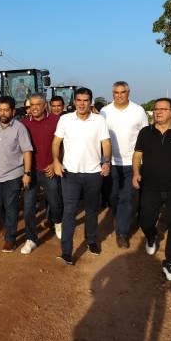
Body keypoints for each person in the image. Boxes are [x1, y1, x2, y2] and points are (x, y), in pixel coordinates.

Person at [132, 98, 171, 282]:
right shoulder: (145, 132)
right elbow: (137, 155)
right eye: (156, 109)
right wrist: (136, 173)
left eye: (163, 109)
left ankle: (170, 263)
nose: (158, 112)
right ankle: (151, 236)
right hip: (149, 186)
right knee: (145, 220)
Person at [51, 87, 111, 265]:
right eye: (79, 100)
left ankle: (91, 241)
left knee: (91, 210)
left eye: (85, 100)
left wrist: (106, 161)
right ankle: (66, 252)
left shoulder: (99, 120)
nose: (82, 104)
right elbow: (56, 143)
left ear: (90, 102)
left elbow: (106, 143)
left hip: (93, 173)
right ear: (74, 102)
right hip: (70, 174)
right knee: (69, 212)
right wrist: (56, 161)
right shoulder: (65, 119)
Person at [0, 96, 34, 253]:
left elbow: (27, 151)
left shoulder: (19, 128)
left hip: (13, 174)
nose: (2, 113)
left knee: (11, 205)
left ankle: (10, 239)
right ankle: (8, 224)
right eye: (0, 110)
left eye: (6, 110)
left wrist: (27, 173)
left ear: (13, 111)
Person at [99, 81, 149, 248]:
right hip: (111, 163)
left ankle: (122, 233)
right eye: (116, 92)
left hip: (132, 163)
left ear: (128, 92)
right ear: (112, 94)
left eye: (122, 92)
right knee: (113, 197)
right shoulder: (104, 112)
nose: (119, 95)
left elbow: (145, 135)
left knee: (126, 198)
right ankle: (119, 216)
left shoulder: (138, 111)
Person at [20, 93, 62, 254]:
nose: (34, 107)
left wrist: (55, 162)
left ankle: (57, 221)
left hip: (49, 170)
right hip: (31, 172)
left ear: (45, 105)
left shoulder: (56, 121)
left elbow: (64, 144)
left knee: (55, 201)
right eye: (32, 105)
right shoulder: (23, 124)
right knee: (28, 207)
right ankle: (31, 239)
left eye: (38, 104)